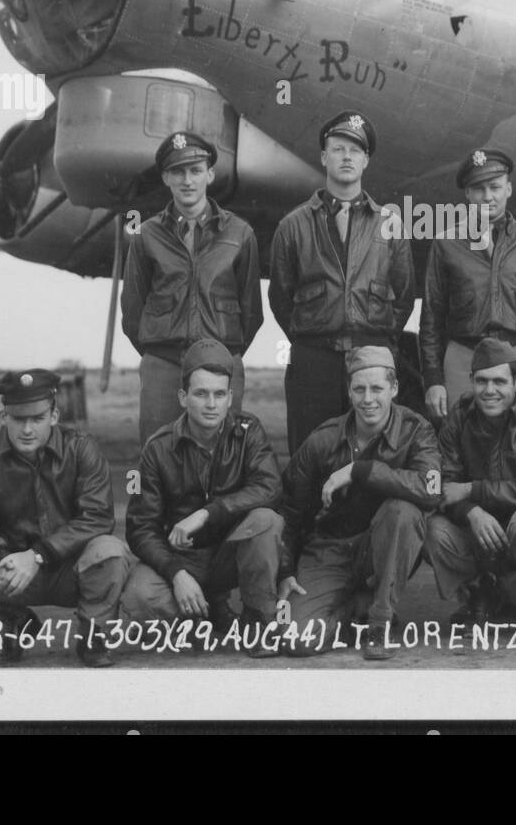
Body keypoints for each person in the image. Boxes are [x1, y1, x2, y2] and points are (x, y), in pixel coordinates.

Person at [0, 369, 129, 667]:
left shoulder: (82, 449)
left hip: (73, 568)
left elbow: (96, 517)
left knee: (110, 551)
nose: (27, 429)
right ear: (4, 417)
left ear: (54, 416)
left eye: (37, 418)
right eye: (19, 419)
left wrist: (38, 556)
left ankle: (93, 634)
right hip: (14, 573)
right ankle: (10, 624)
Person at [121, 339, 284, 657]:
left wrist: (209, 513)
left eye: (219, 394)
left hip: (230, 553)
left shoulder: (249, 431)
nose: (211, 404)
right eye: (200, 393)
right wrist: (175, 574)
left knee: (266, 521)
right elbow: (139, 528)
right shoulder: (157, 448)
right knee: (138, 597)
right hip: (183, 559)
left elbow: (270, 487)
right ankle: (199, 617)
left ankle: (258, 620)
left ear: (230, 398)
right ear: (183, 397)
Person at [277, 346, 440, 660]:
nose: (368, 399)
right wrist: (285, 570)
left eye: (377, 388)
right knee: (297, 640)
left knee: (403, 511)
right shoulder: (323, 440)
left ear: (394, 388)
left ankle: (380, 620)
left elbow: (430, 488)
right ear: (348, 392)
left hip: (384, 547)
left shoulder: (416, 431)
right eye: (359, 389)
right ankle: (355, 614)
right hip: (330, 549)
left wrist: (361, 470)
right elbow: (291, 510)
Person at [269, 111, 415, 455]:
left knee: (372, 453)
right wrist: (312, 334)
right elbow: (280, 296)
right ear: (323, 157)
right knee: (309, 453)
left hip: (370, 357)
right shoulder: (293, 225)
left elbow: (405, 296)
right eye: (338, 149)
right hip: (313, 359)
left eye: (355, 150)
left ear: (366, 160)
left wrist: (375, 339)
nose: (346, 157)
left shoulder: (391, 223)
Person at [121, 130, 263, 447]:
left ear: (210, 174)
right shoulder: (145, 236)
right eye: (178, 171)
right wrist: (160, 351)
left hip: (220, 365)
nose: (188, 180)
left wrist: (223, 355)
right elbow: (132, 310)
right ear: (166, 178)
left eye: (196, 170)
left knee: (222, 457)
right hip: (163, 364)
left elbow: (251, 310)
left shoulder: (240, 234)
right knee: (158, 453)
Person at [424, 338, 516, 632]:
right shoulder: (458, 418)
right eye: (482, 381)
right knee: (431, 528)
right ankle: (478, 593)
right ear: (471, 381)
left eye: (500, 381)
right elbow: (444, 484)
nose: (490, 391)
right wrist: (472, 510)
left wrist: (473, 489)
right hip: (477, 525)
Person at [420, 147, 516, 421]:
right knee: (462, 445)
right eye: (478, 188)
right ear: (467, 194)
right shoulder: (446, 244)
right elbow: (431, 320)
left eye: (495, 187)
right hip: (464, 356)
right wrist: (433, 379)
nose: (488, 196)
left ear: (508, 189)